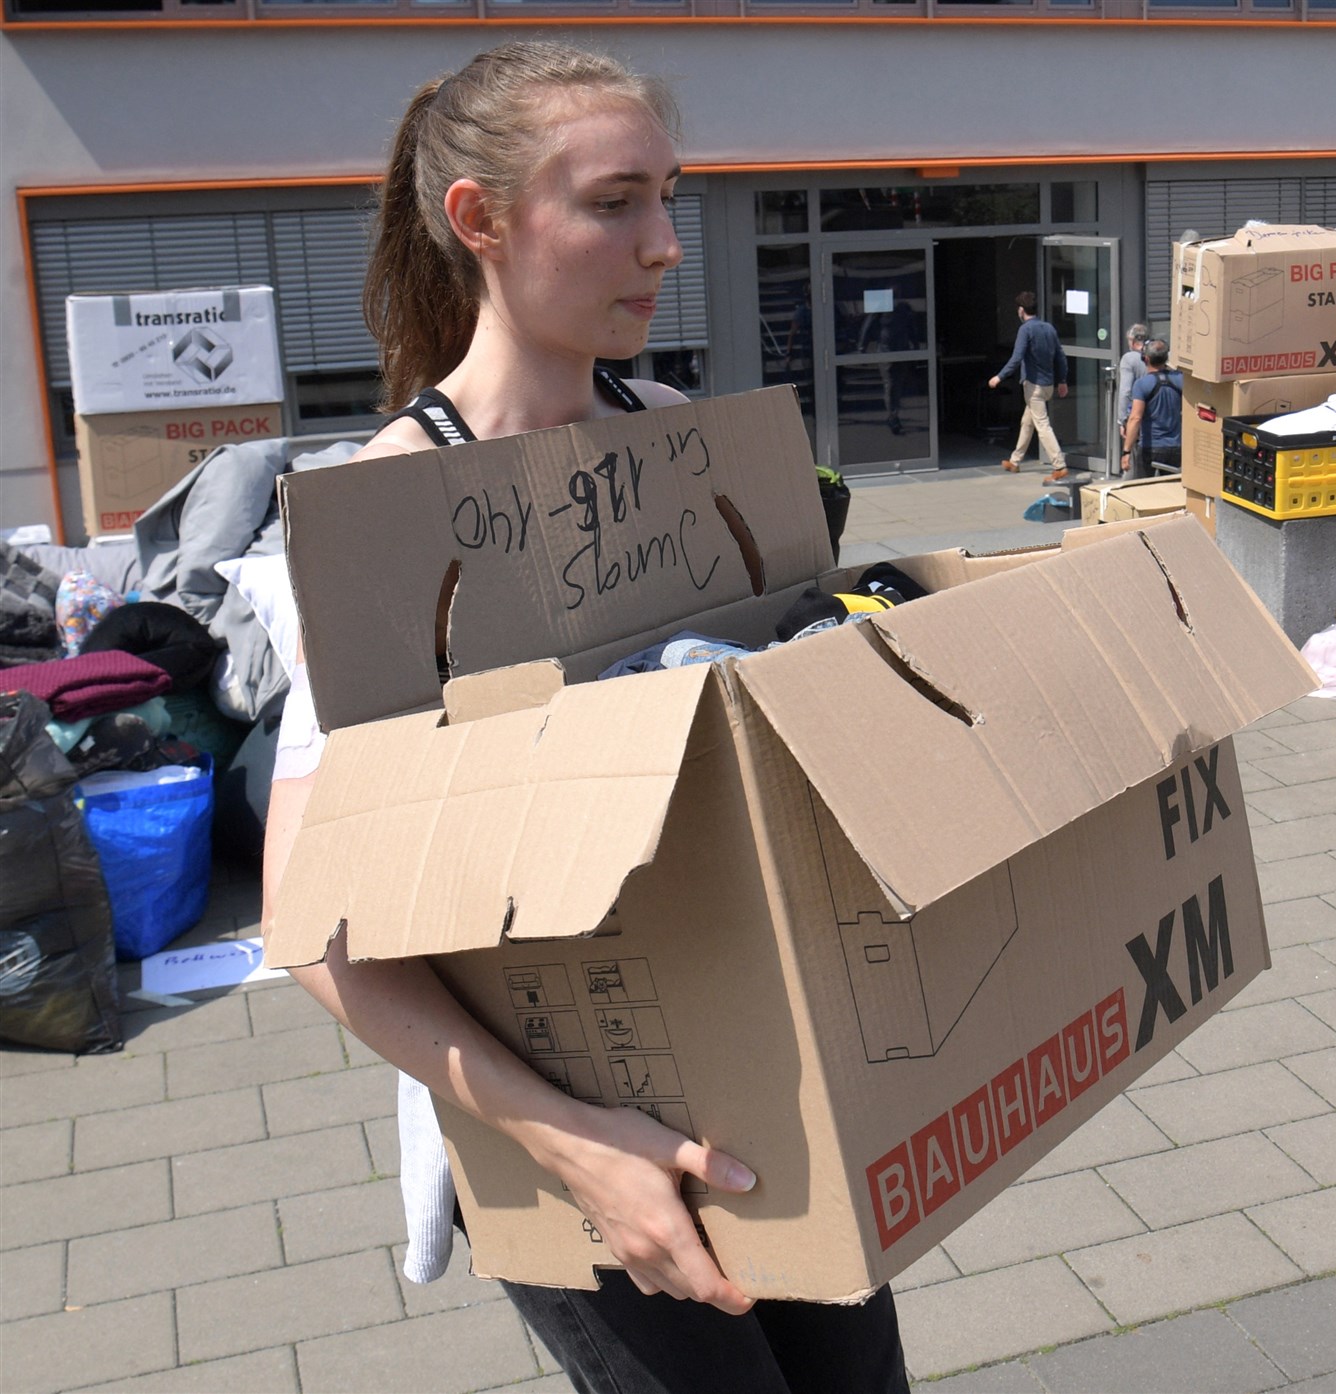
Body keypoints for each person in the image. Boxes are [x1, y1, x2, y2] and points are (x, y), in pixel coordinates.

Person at [262, 42, 909, 1394]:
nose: (666, 245)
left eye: (669, 196)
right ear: (480, 222)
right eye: (616, 203)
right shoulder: (382, 520)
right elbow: (311, 921)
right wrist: (572, 1143)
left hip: (768, 1084)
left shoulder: (688, 440)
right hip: (562, 1147)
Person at [987, 291, 1070, 483]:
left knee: (1042, 425)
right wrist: (1062, 380)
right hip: (1048, 384)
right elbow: (1060, 356)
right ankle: (1015, 461)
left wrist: (999, 377)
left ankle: (1059, 465)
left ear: (1021, 310)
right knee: (1027, 422)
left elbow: (1016, 358)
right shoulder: (1048, 328)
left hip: (1034, 386)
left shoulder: (1026, 330)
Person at [1121, 340, 1184, 479]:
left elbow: (1135, 418)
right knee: (1170, 491)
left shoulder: (1142, 384)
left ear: (1146, 358)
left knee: (1143, 490)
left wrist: (1126, 452)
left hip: (1151, 447)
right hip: (1176, 447)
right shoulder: (1180, 379)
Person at [1112, 322, 1149, 476]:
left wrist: (1122, 420)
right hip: (1156, 417)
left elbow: (1125, 391)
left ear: (1133, 341)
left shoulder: (1129, 359)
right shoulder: (1158, 355)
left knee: (1131, 461)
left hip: (1135, 414)